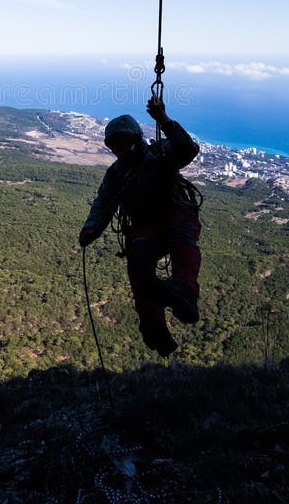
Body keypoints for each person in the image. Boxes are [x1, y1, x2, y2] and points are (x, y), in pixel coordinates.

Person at [79, 97, 202, 357]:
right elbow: (103, 203)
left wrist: (164, 120)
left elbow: (187, 150)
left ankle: (184, 291)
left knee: (180, 238)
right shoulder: (116, 173)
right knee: (138, 265)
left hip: (174, 214)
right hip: (145, 226)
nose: (121, 148)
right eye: (115, 144)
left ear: (136, 137)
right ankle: (152, 322)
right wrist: (90, 230)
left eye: (124, 141)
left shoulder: (160, 152)